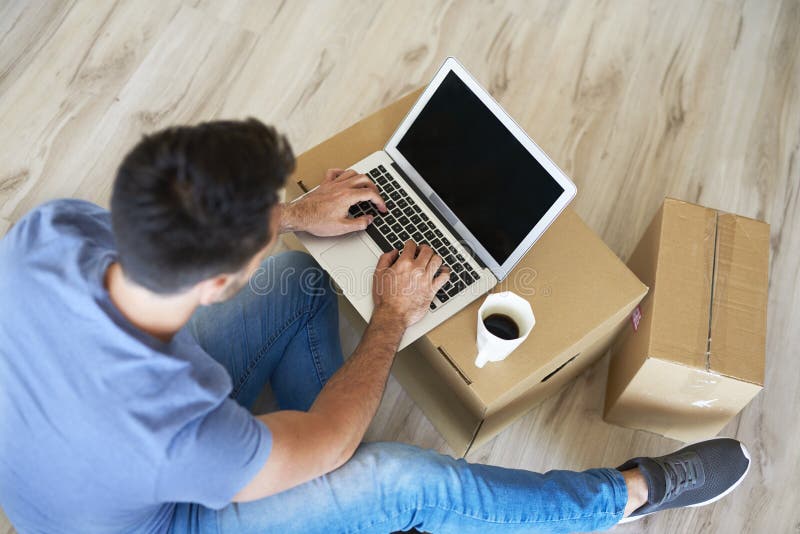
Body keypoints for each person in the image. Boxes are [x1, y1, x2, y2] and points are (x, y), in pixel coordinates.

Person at [0, 119, 751, 534]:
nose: (279, 214)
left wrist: (294, 218)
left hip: (62, 471)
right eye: (269, 214)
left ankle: (327, 477)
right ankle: (623, 498)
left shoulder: (52, 232)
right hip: (154, 522)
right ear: (219, 281)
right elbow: (322, 441)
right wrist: (391, 317)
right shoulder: (181, 432)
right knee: (400, 480)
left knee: (298, 277)